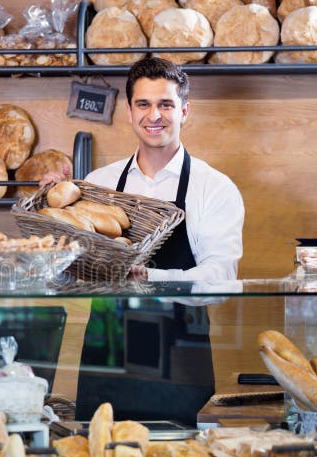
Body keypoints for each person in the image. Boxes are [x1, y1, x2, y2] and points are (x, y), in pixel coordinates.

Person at [43, 57, 245, 425]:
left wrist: (150, 280)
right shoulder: (99, 184)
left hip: (179, 367)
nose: (155, 115)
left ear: (185, 110)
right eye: (144, 104)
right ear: (129, 111)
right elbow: (70, 277)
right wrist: (52, 219)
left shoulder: (213, 187)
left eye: (166, 104)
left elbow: (221, 280)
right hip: (103, 363)